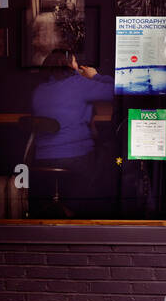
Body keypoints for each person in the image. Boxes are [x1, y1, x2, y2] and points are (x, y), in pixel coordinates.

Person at [30, 48, 115, 216]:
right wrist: (95, 76)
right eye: (75, 61)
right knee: (109, 160)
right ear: (70, 65)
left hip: (41, 159)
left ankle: (67, 210)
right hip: (75, 159)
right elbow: (118, 90)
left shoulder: (38, 91)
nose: (78, 65)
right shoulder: (79, 84)